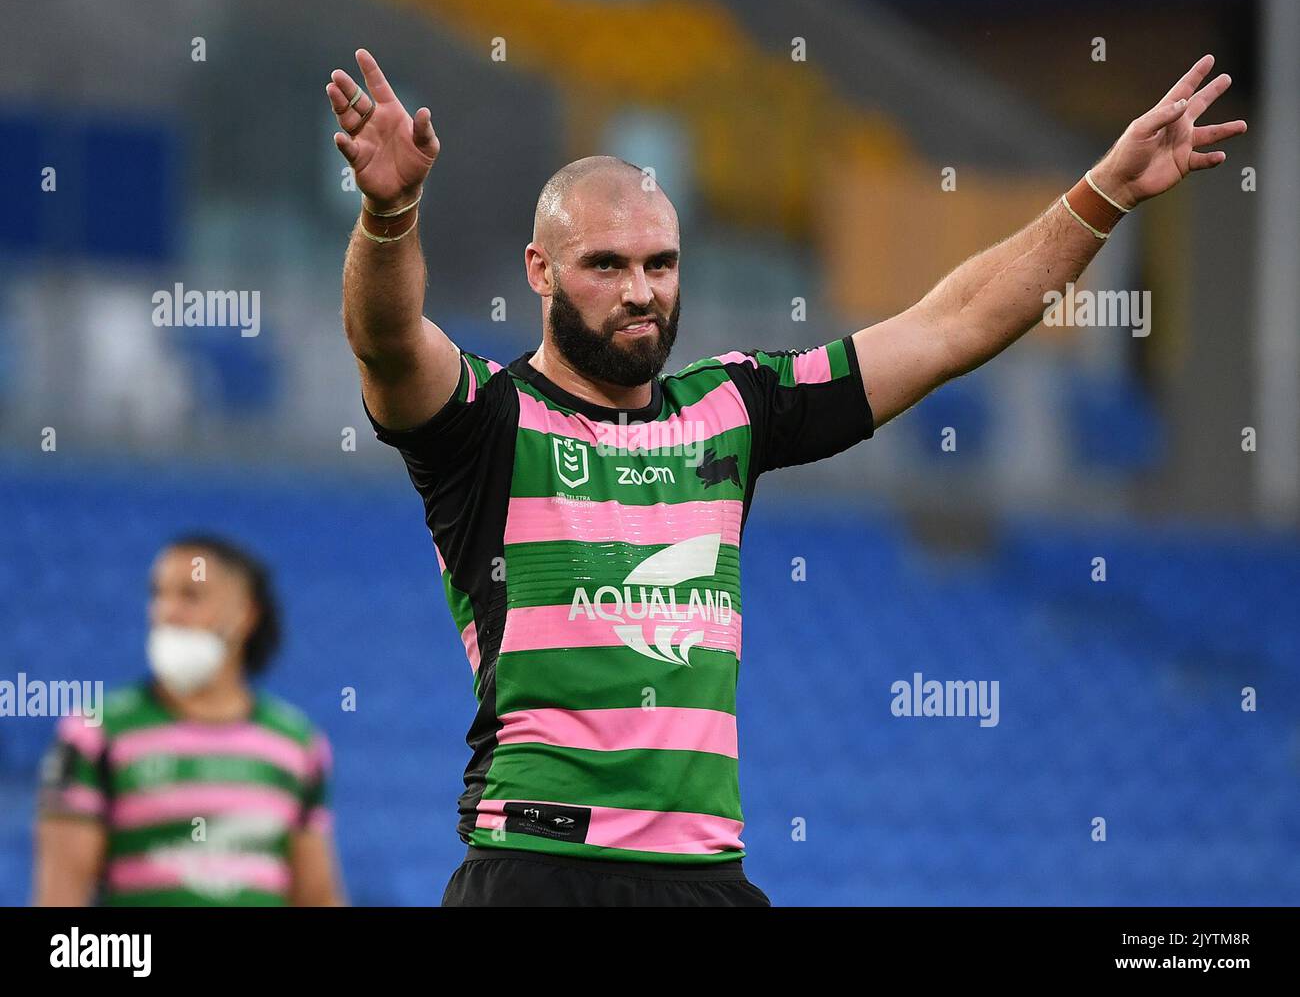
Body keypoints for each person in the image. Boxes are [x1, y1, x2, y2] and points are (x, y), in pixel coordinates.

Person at [326, 48, 1242, 907]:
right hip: (536, 867)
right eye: (605, 264)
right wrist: (390, 215)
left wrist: (1105, 192)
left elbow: (949, 325)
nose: (641, 291)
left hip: (707, 873)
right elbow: (388, 338)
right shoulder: (487, 423)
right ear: (541, 271)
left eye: (660, 263)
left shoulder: (734, 404)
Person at [34, 536, 345, 906]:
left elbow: (318, 897)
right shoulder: (95, 733)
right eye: (158, 595)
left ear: (246, 614)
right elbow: (58, 899)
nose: (167, 611)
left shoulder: (297, 743)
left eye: (190, 596)